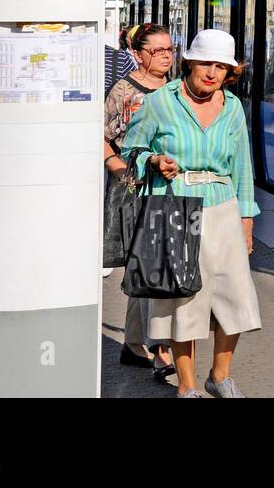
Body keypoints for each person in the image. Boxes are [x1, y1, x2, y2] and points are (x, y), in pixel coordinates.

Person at [122, 28, 261, 398]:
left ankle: (220, 375)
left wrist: (247, 222)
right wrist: (153, 159)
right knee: (183, 299)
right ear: (190, 63)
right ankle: (187, 385)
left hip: (223, 205)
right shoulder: (160, 102)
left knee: (235, 298)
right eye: (205, 64)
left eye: (221, 67)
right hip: (176, 205)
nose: (212, 73)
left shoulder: (232, 107)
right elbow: (129, 149)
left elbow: (243, 167)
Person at [103, 23, 175, 379]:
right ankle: (157, 347)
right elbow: (100, 136)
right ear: (138, 53)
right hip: (134, 186)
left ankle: (136, 342)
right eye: (157, 51)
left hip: (171, 187)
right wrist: (118, 169)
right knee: (147, 261)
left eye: (169, 50)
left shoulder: (179, 91)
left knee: (154, 261)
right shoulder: (123, 90)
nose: (165, 57)